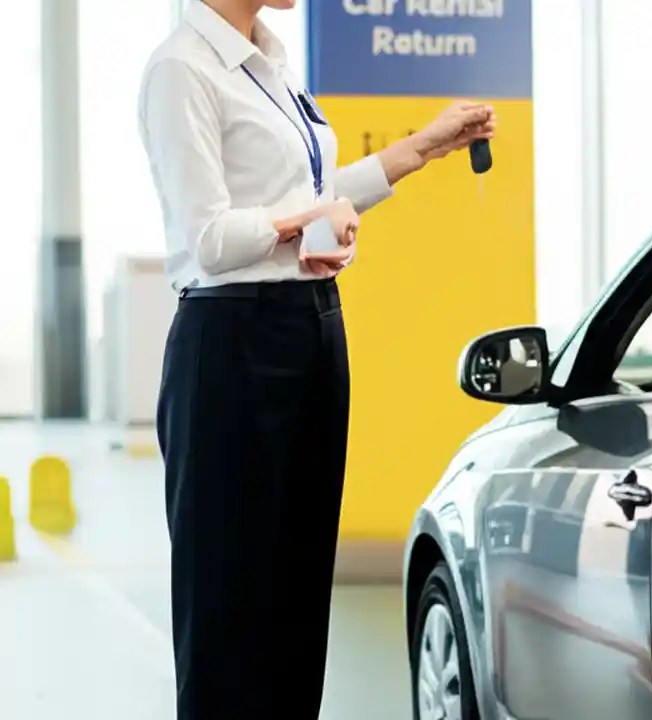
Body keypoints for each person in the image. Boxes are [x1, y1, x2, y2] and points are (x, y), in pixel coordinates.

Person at [137, 1, 496, 716]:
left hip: (312, 327)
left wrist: (425, 147)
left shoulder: (268, 59)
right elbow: (208, 237)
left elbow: (306, 195)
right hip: (232, 343)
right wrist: (308, 219)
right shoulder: (182, 67)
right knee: (227, 606)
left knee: (298, 596)